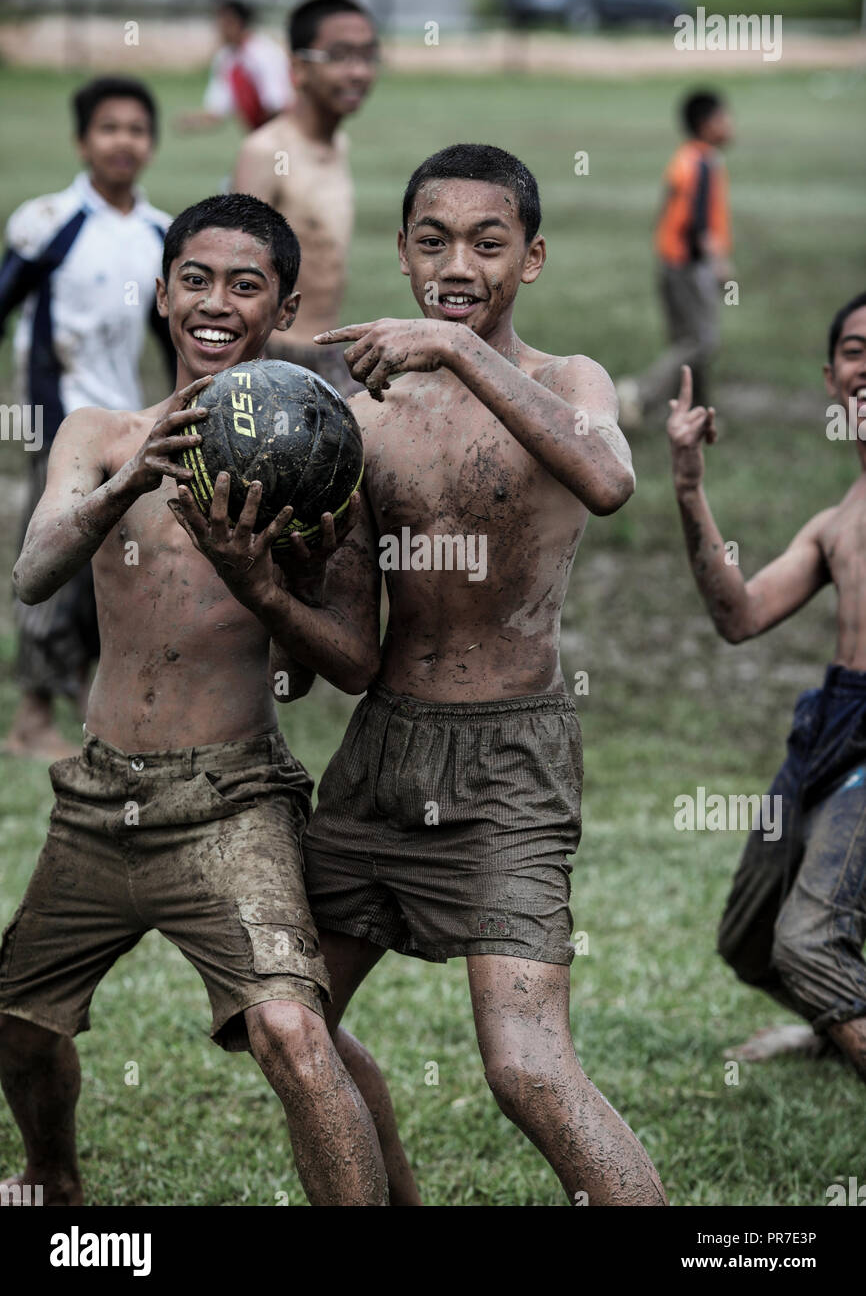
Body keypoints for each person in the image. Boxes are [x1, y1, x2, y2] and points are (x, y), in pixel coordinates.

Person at [197, 143, 666, 1205]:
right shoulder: (362, 422)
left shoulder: (564, 381)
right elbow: (351, 657)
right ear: (402, 256)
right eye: (431, 241)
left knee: (527, 1071)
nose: (457, 263)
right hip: (384, 756)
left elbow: (605, 478)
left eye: (486, 243)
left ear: (531, 259)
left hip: (510, 763)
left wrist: (454, 354)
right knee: (285, 1020)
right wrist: (268, 589)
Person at [0, 193, 386, 1206]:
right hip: (98, 797)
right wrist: (124, 483)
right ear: (162, 292)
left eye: (246, 285)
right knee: (18, 1021)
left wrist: (269, 588)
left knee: (294, 1031)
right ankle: (52, 1175)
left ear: (285, 304)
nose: (216, 303)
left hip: (231, 800)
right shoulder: (98, 431)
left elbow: (344, 662)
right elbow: (34, 575)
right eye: (196, 278)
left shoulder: (318, 460)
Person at [666, 291, 866, 1083]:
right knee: (749, 944)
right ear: (830, 377)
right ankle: (836, 1019)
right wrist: (688, 487)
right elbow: (739, 615)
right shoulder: (837, 521)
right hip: (833, 724)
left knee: (809, 942)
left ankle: (836, 996)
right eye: (855, 350)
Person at [0, 75, 175, 761]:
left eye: (136, 129)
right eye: (108, 128)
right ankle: (32, 714)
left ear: (152, 143)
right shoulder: (49, 224)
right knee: (52, 554)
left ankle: (88, 691)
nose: (123, 141)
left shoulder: (161, 234)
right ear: (82, 140)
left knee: (120, 554)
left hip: (121, 421)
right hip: (56, 419)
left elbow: (172, 339)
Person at [232, 0, 379, 397]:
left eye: (368, 56)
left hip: (329, 353)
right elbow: (235, 273)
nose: (358, 71)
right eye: (340, 56)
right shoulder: (265, 152)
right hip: (275, 361)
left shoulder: (339, 144)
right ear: (298, 67)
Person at [619, 90, 734, 427]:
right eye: (725, 118)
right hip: (688, 263)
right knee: (700, 341)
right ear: (707, 124)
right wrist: (717, 260)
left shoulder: (684, 158)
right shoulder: (703, 162)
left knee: (689, 341)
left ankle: (698, 414)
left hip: (671, 260)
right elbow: (698, 220)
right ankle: (638, 393)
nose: (731, 125)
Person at [176, 0, 292, 134]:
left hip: (282, 131)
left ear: (238, 24)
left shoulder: (264, 54)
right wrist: (192, 120)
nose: (219, 29)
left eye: (224, 23)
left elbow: (277, 104)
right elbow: (217, 109)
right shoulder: (225, 58)